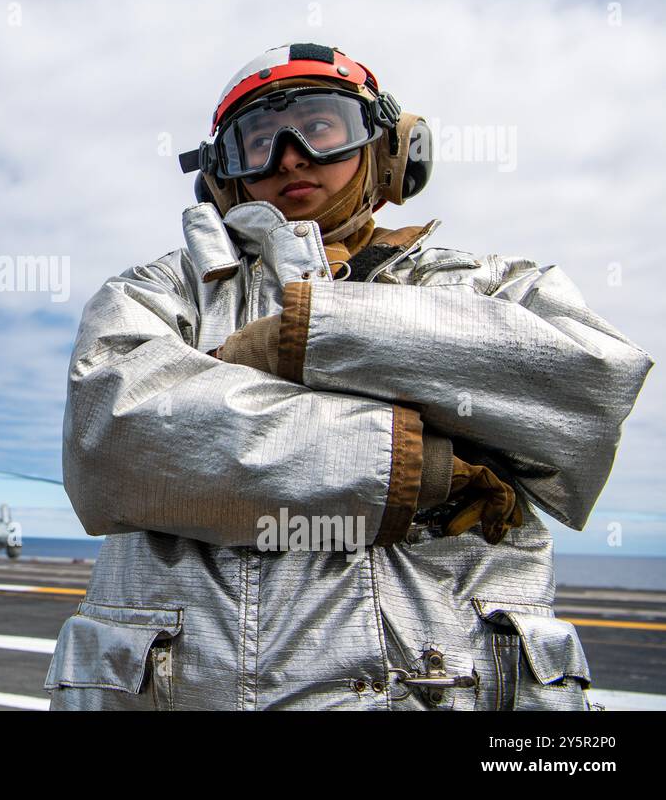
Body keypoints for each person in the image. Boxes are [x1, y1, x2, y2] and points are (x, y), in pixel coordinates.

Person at [46, 43, 654, 711]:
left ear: (389, 149)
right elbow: (114, 438)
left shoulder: (489, 285)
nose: (290, 156)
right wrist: (419, 466)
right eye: (259, 141)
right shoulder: (161, 292)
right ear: (224, 174)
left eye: (322, 127)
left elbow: (588, 387)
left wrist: (310, 336)